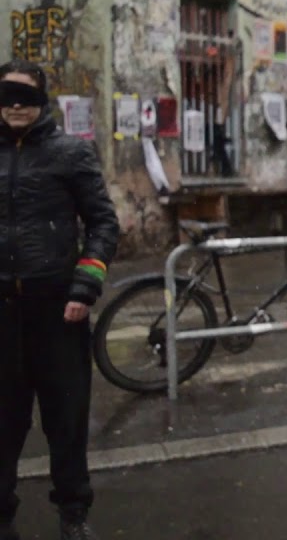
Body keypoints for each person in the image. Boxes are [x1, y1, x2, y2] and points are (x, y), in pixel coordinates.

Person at [0, 62, 120, 540]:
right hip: (2, 313)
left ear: (42, 100)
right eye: (6, 95)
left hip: (58, 312)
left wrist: (84, 288)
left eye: (24, 96)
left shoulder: (71, 153)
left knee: (65, 421)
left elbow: (103, 224)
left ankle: (73, 514)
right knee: (3, 423)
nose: (14, 105)